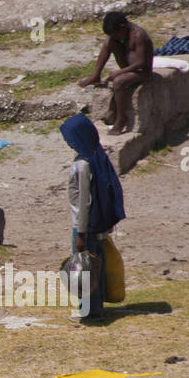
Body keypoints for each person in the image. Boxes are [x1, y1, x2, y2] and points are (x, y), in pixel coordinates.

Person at [60, 114, 126, 321]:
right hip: (98, 225)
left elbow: (83, 201)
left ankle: (89, 311)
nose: (68, 143)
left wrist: (80, 232)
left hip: (85, 226)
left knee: (85, 267)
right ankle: (96, 307)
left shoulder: (82, 164)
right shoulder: (97, 156)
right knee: (96, 263)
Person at [79, 12, 154, 136]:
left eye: (116, 34)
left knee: (118, 82)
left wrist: (120, 72)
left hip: (142, 72)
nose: (116, 37)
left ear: (123, 27)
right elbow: (115, 41)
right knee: (109, 42)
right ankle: (95, 75)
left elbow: (141, 62)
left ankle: (121, 120)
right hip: (129, 68)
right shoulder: (120, 36)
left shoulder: (138, 35)